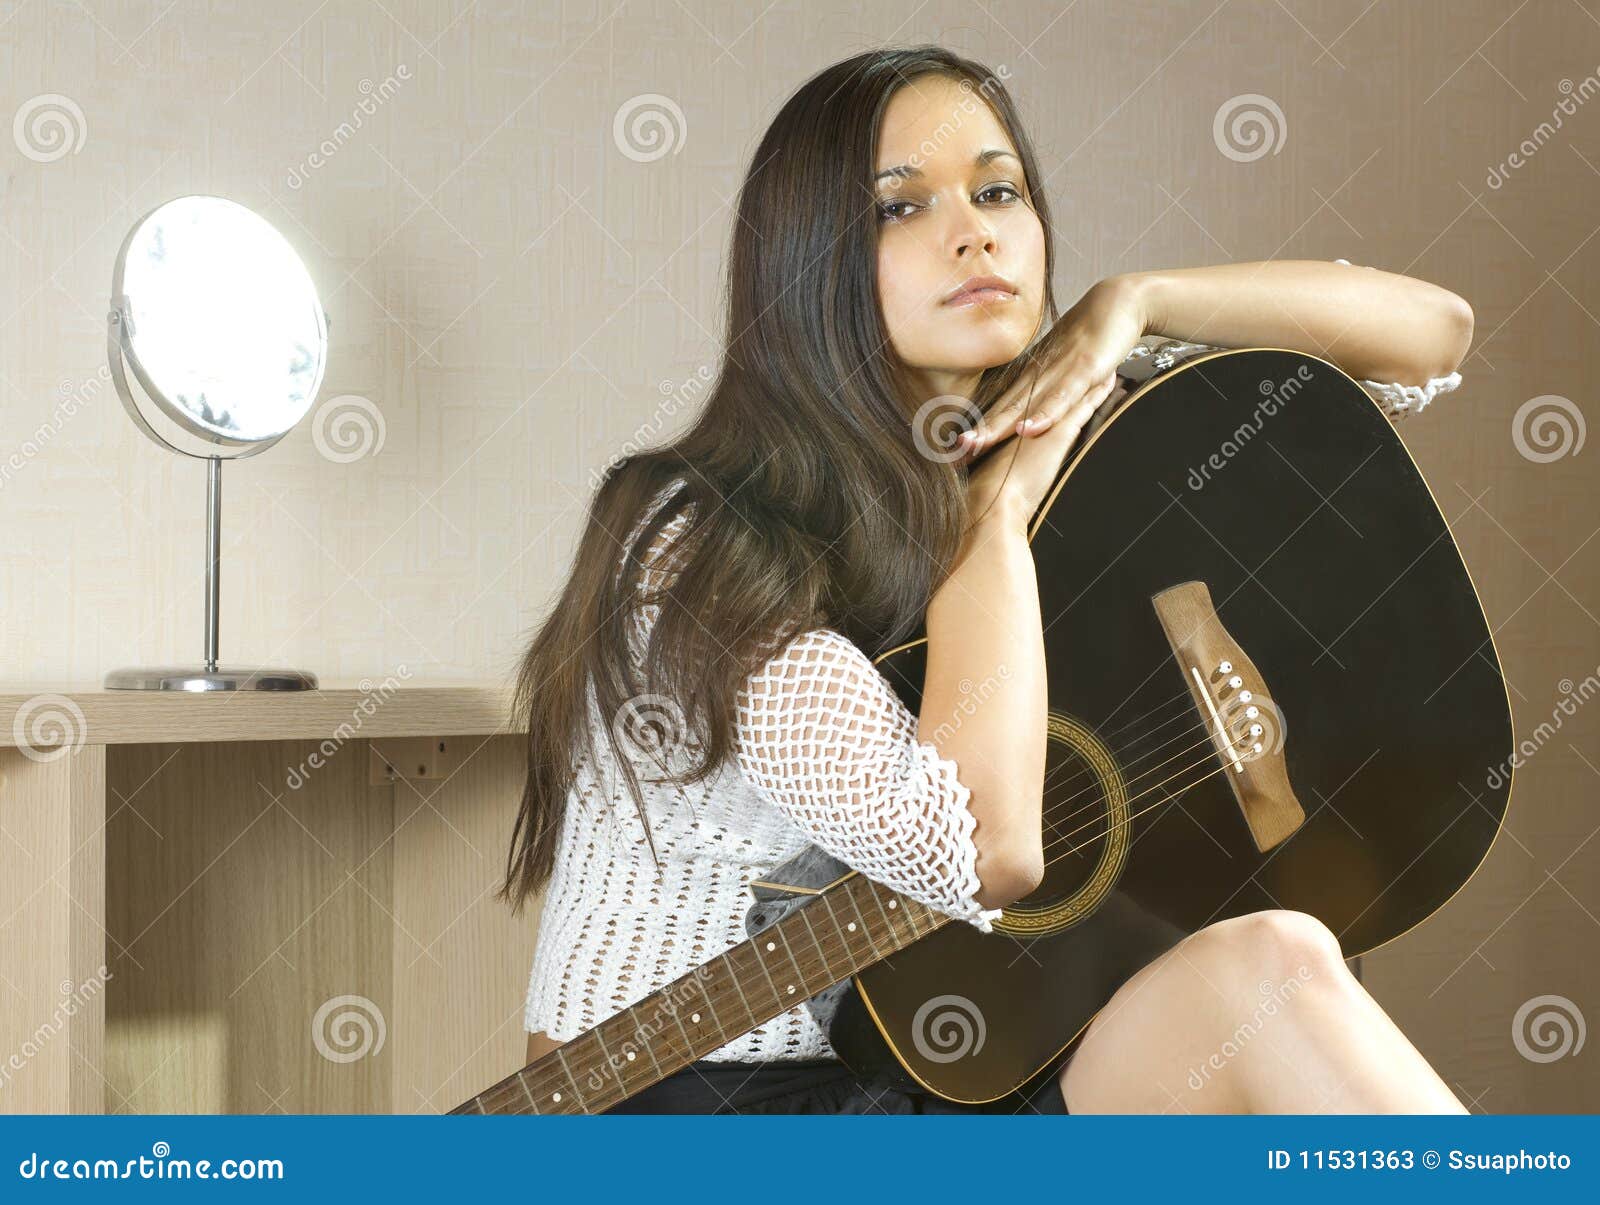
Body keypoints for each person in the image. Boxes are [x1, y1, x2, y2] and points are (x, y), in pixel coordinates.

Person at [499, 44, 1474, 1115]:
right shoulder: (694, 537)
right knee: (1268, 973)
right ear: (808, 267)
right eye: (899, 207)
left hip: (964, 1066)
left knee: (1275, 970)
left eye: (998, 191)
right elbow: (984, 850)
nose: (974, 231)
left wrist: (1138, 300)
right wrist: (991, 518)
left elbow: (1429, 336)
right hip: (695, 1099)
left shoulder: (1063, 429)